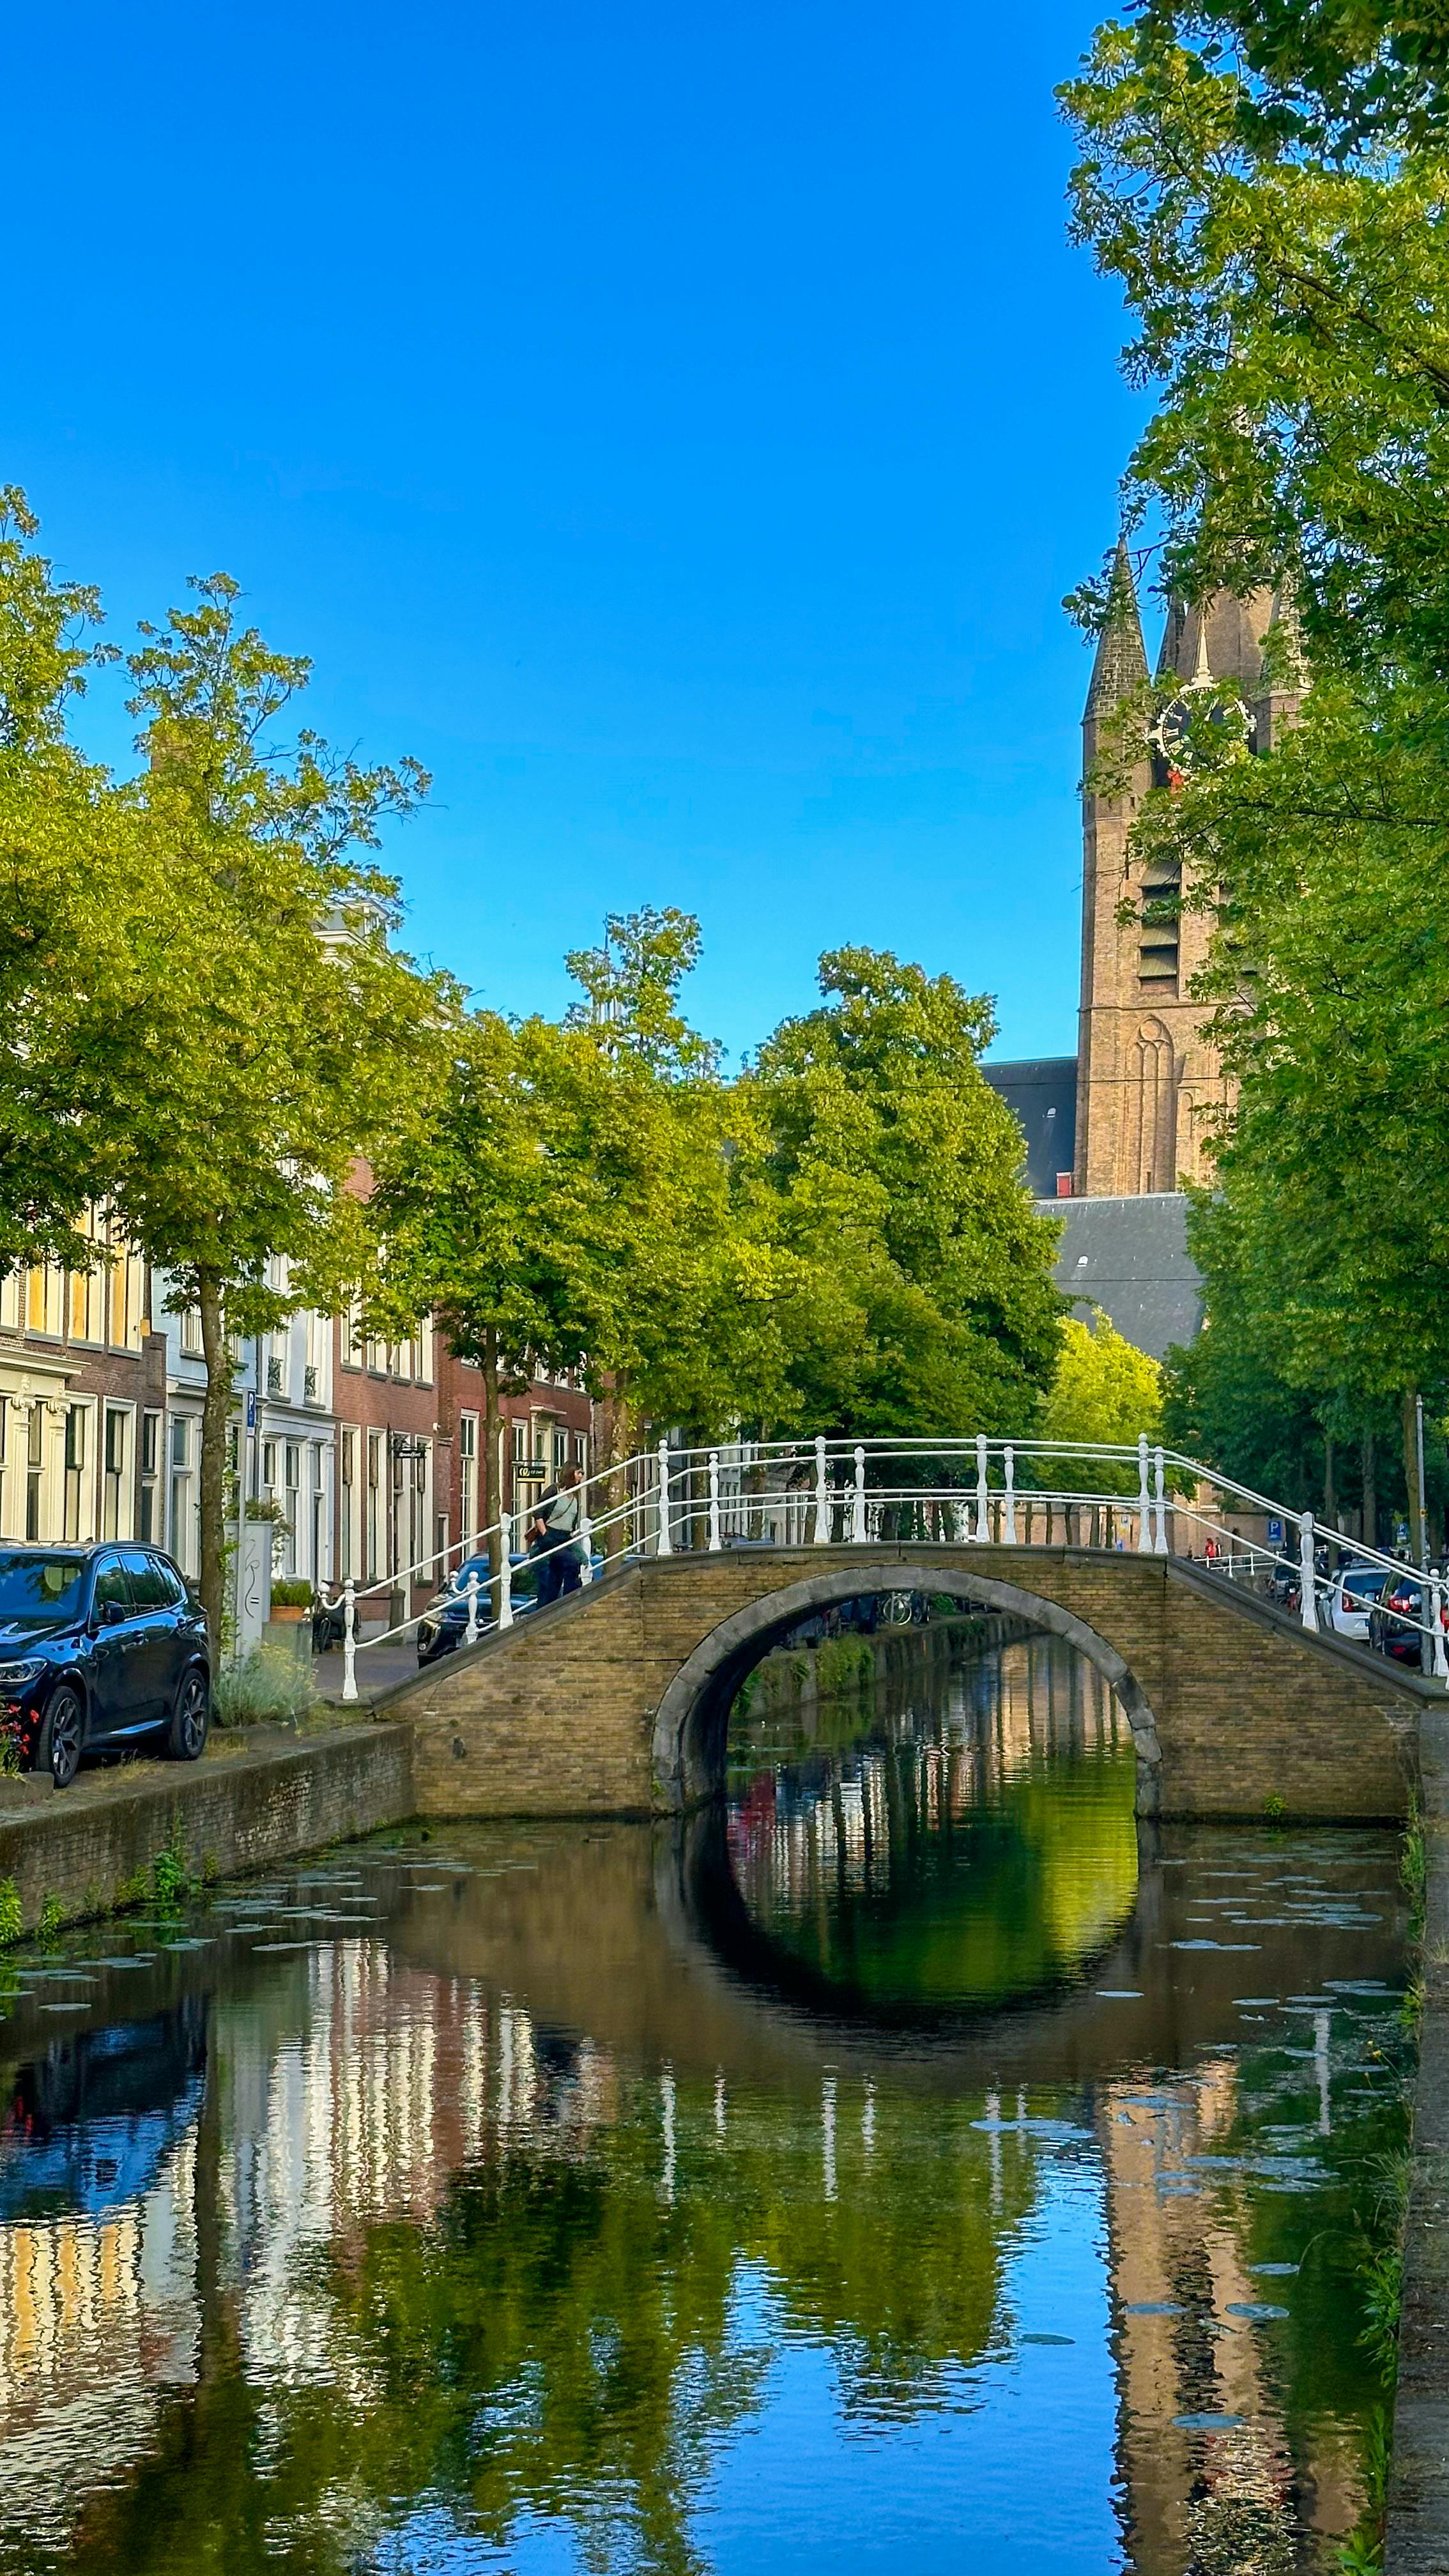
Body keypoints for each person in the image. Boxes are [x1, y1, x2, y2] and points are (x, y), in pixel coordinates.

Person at [529, 1464, 585, 1605]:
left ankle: (549, 1606)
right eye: (579, 1473)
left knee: (557, 1573)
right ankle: (569, 1602)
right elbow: (538, 1512)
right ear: (570, 1473)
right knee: (572, 1563)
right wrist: (545, 1534)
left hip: (565, 1537)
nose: (581, 1476)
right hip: (550, 1536)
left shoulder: (576, 1494)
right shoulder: (555, 1490)